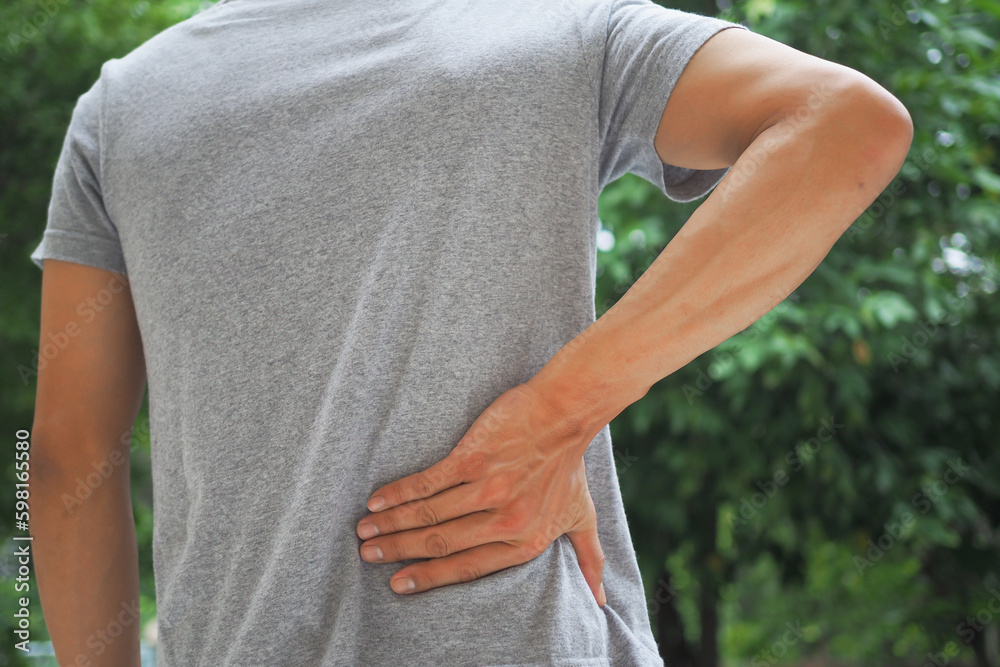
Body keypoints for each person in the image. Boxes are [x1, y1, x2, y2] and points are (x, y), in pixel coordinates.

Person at [27, 0, 912, 664]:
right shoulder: (557, 32)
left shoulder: (122, 109)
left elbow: (66, 459)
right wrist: (559, 414)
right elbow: (848, 127)